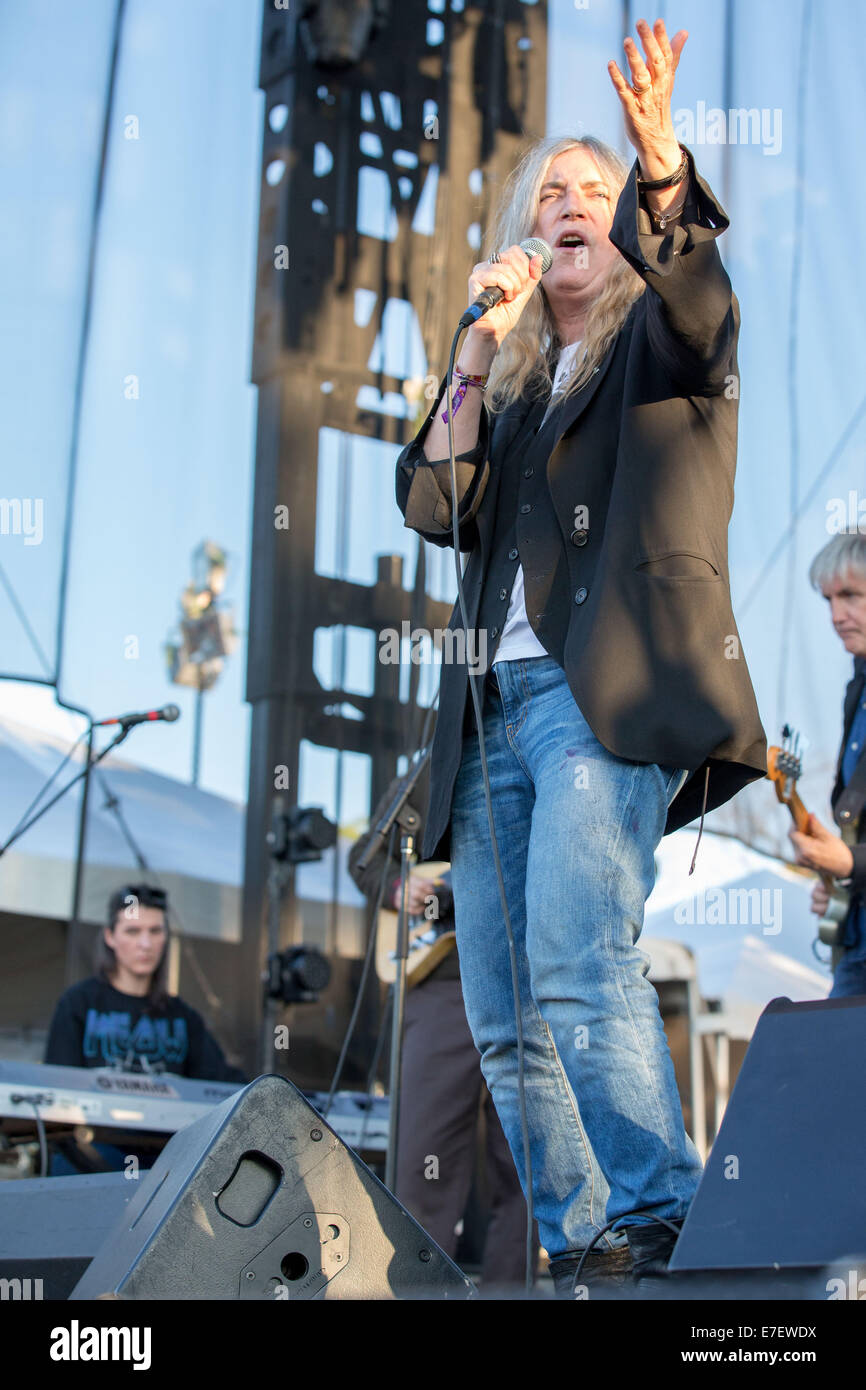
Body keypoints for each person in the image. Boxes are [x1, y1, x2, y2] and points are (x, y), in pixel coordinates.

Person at [394, 17, 767, 1296]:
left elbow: (701, 303)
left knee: (573, 946)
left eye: (591, 190)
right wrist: (473, 349)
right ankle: (581, 1237)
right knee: (501, 1017)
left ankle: (660, 1214)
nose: (568, 204)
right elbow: (432, 502)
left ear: (618, 230)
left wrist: (658, 161)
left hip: (596, 697)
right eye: (548, 191)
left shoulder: (652, 357)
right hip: (489, 717)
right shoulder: (502, 385)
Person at [348, 753, 536, 1290]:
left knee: (529, 1169)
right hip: (442, 984)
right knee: (421, 1161)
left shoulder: (554, 738)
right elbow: (365, 858)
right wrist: (397, 888)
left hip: (528, 981)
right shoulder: (436, 760)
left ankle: (509, 1292)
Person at [45, 883, 245, 1173]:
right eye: (133, 931)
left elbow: (221, 1085)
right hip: (88, 1153)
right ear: (110, 937)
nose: (145, 944)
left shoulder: (183, 1016)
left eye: (155, 931)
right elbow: (56, 1089)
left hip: (167, 1160)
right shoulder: (78, 1003)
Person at [789, 533, 866, 996]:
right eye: (829, 600)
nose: (836, 615)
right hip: (855, 945)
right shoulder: (855, 693)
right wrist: (841, 882)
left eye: (851, 596)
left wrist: (851, 864)